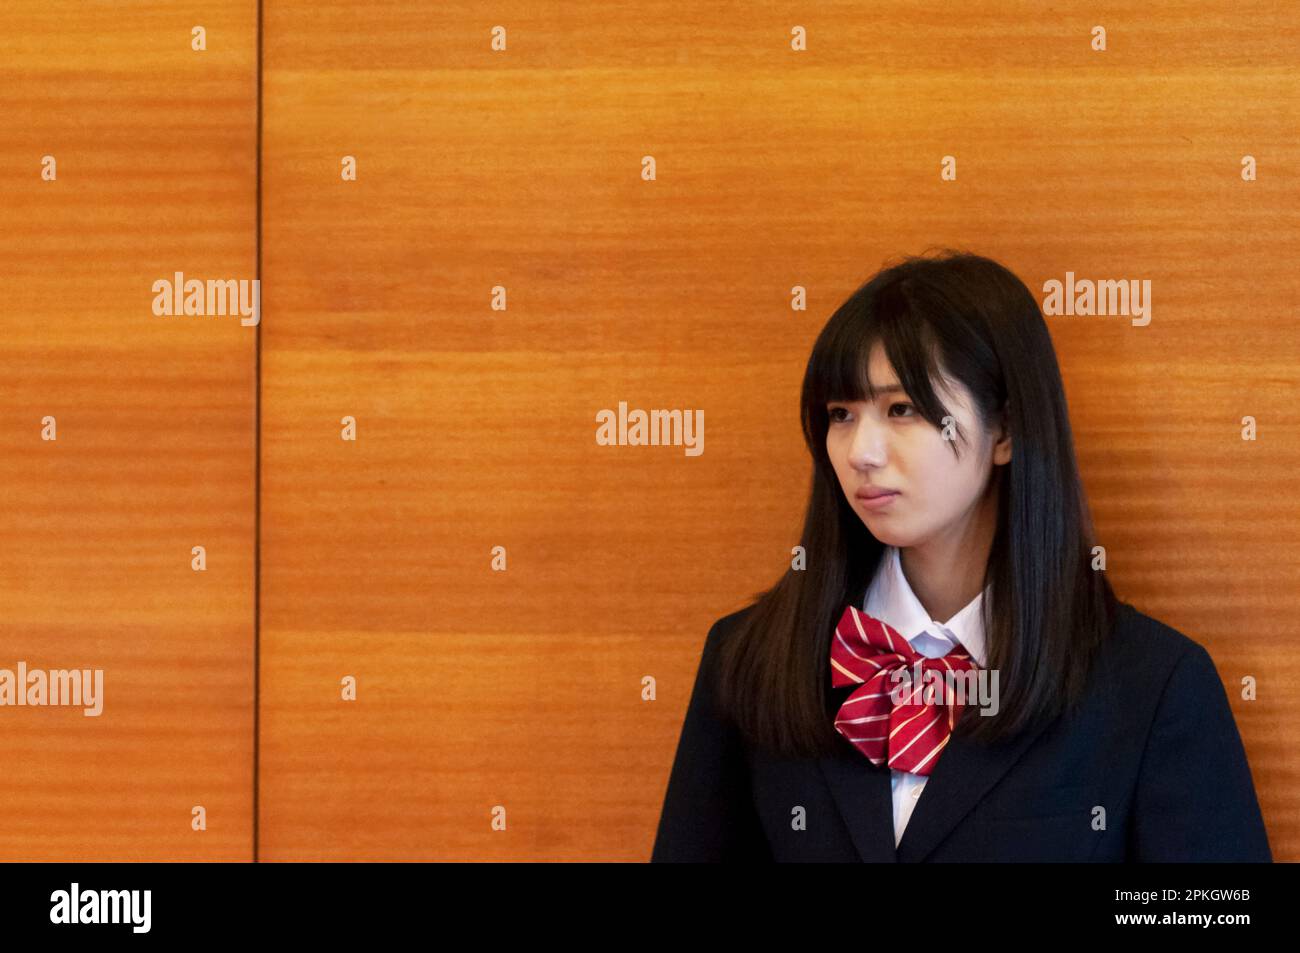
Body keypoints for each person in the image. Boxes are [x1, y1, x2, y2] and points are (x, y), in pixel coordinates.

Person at [650, 249, 1272, 862]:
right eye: (841, 414)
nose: (861, 450)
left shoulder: (1151, 685)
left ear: (1003, 431)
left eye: (903, 409)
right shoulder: (753, 660)